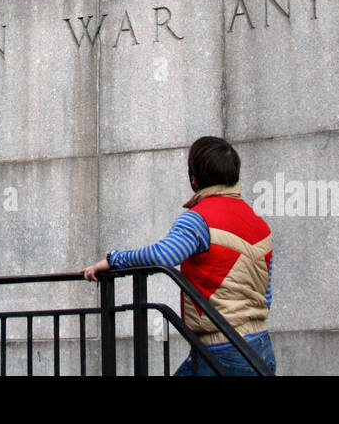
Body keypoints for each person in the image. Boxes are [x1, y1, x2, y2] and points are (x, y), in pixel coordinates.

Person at [82, 135, 275, 376]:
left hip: (223, 348)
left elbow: (163, 256)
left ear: (194, 178)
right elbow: (265, 296)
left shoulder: (198, 219)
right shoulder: (260, 225)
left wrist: (113, 260)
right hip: (262, 347)